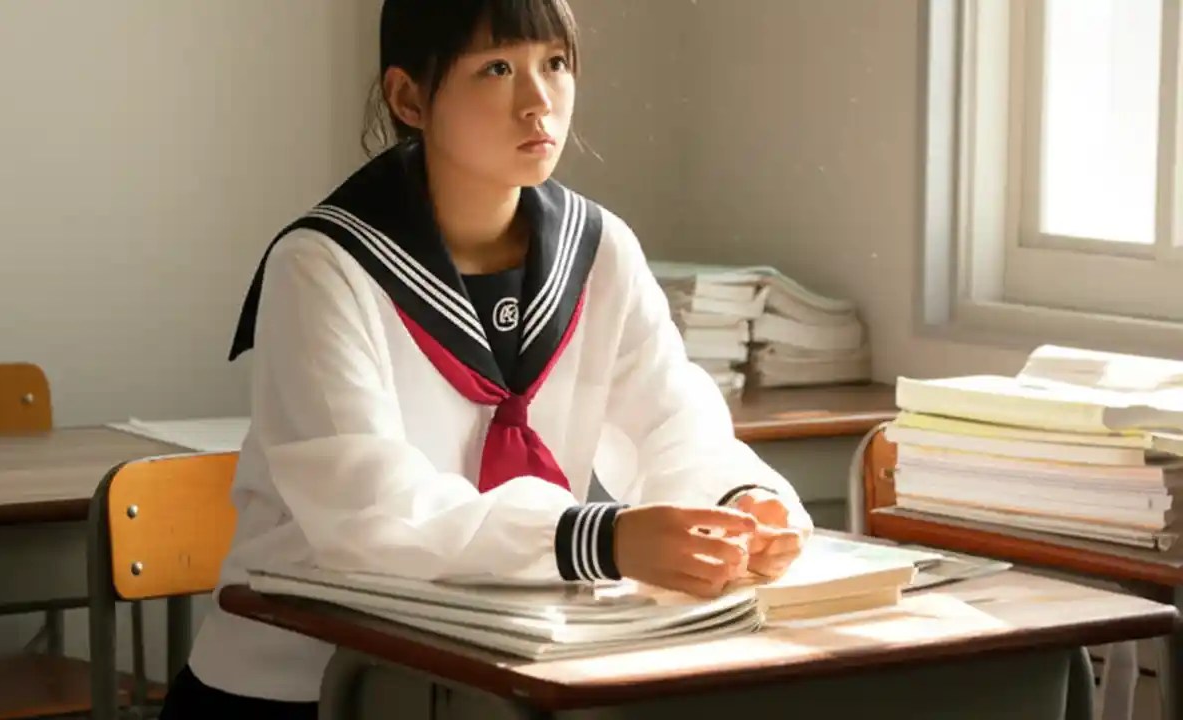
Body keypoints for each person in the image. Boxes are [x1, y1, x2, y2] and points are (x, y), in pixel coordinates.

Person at [159, 0, 813, 715]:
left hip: (501, 660)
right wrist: (599, 537)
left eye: (555, 65)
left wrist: (737, 507)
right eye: (497, 68)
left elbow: (670, 418)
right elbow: (370, 513)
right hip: (304, 678)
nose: (539, 103)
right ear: (410, 97)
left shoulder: (598, 250)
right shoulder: (324, 266)